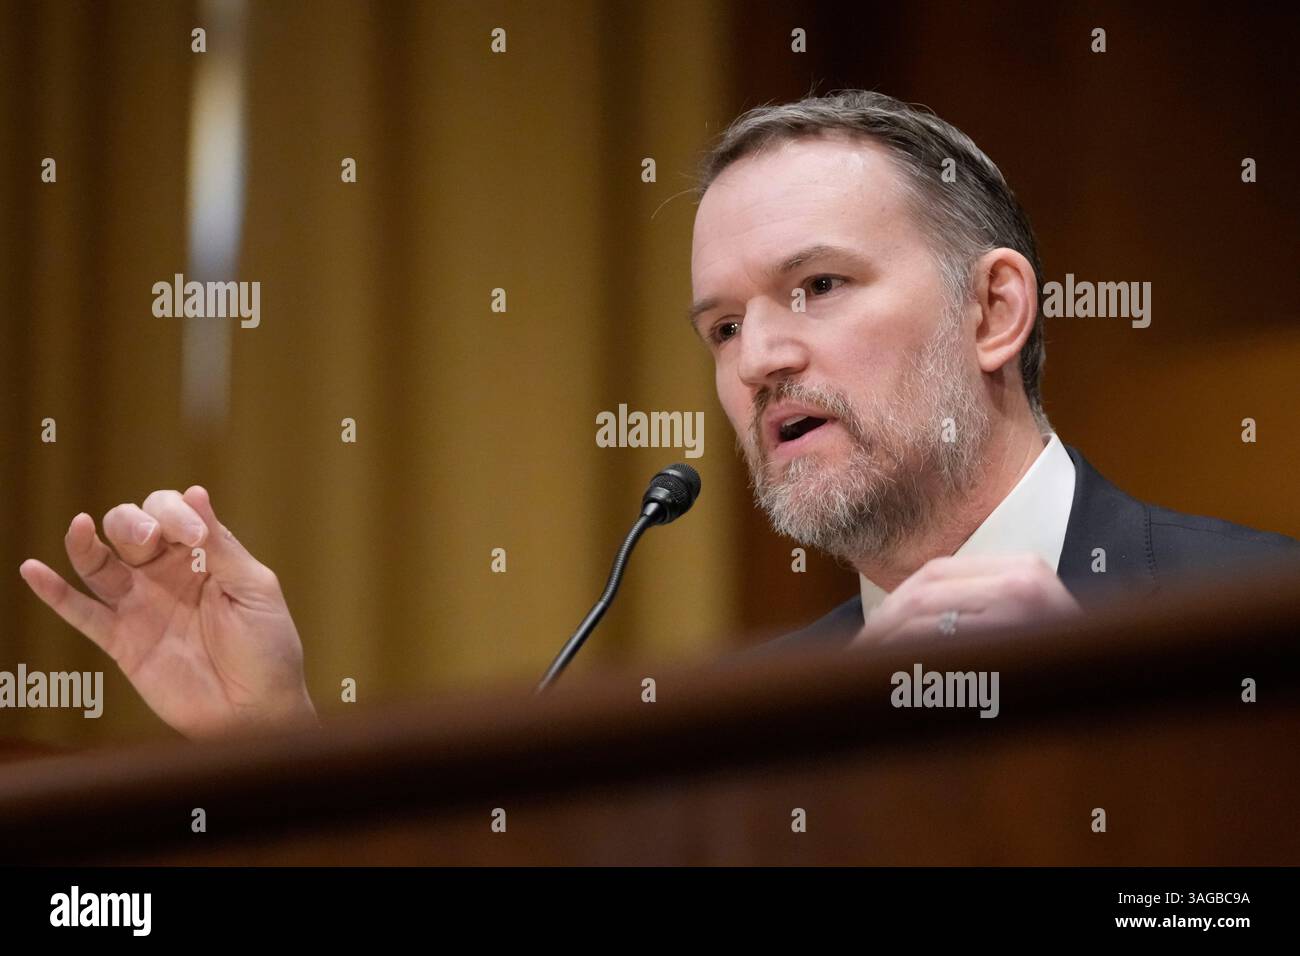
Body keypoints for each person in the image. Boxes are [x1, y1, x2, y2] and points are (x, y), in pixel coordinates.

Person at [18, 92, 1297, 739]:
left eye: (816, 286)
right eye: (724, 327)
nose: (760, 359)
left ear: (994, 309)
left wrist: (1096, 739)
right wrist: (272, 752)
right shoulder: (733, 725)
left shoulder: (1254, 628)